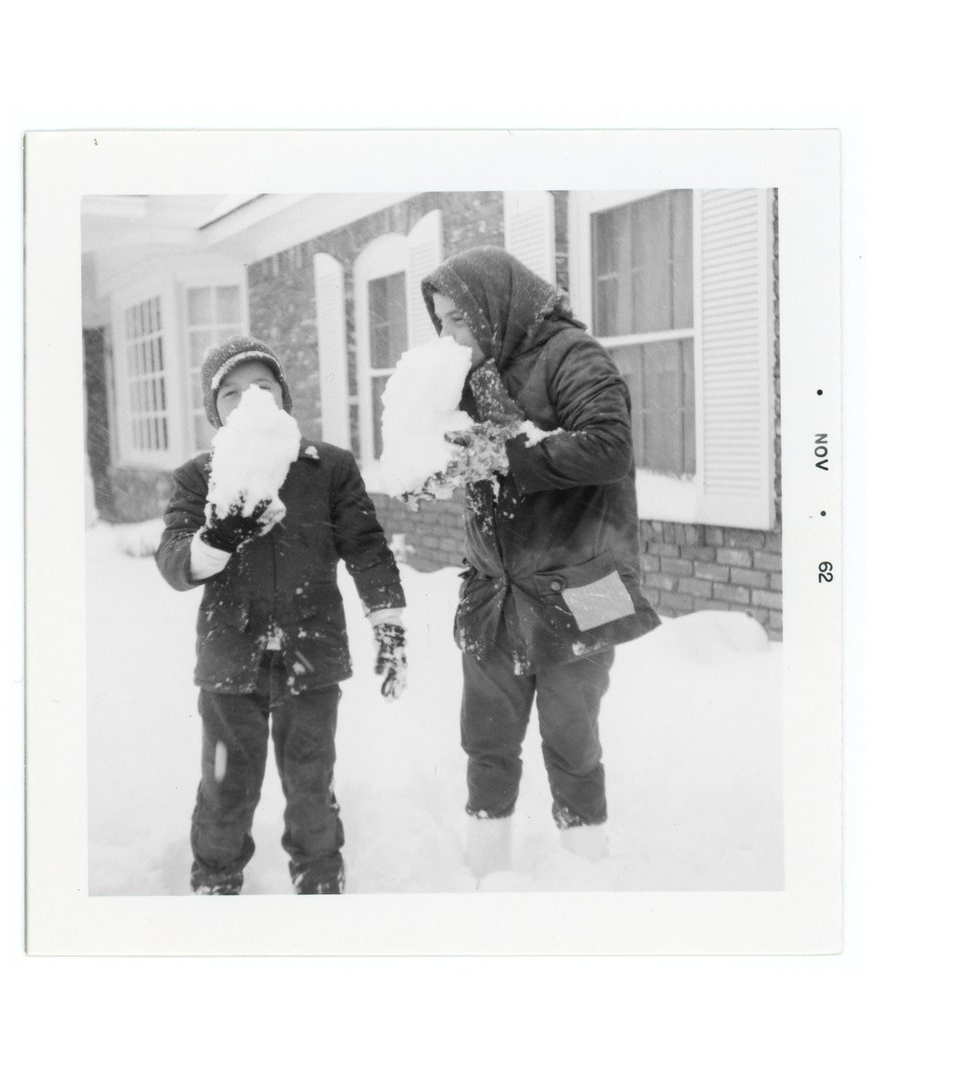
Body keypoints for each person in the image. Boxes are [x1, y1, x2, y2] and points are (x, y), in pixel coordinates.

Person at [420, 247, 661, 877]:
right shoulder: (472, 373)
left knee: (572, 739)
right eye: (441, 321)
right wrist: (430, 464)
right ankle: (485, 870)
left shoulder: (573, 355)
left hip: (589, 582)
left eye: (460, 319)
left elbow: (609, 445)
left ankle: (585, 875)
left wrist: (506, 456)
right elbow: (460, 453)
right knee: (486, 740)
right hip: (494, 590)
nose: (449, 335)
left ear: (495, 306)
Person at [156, 336, 407, 895]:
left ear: (282, 397)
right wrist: (216, 539)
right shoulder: (199, 477)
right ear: (214, 410)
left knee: (311, 781)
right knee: (226, 786)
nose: (248, 400)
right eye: (230, 393)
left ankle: (319, 880)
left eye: (261, 386)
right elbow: (174, 562)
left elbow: (367, 549)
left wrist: (387, 621)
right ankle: (216, 882)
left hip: (310, 654)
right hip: (230, 660)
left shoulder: (328, 468)